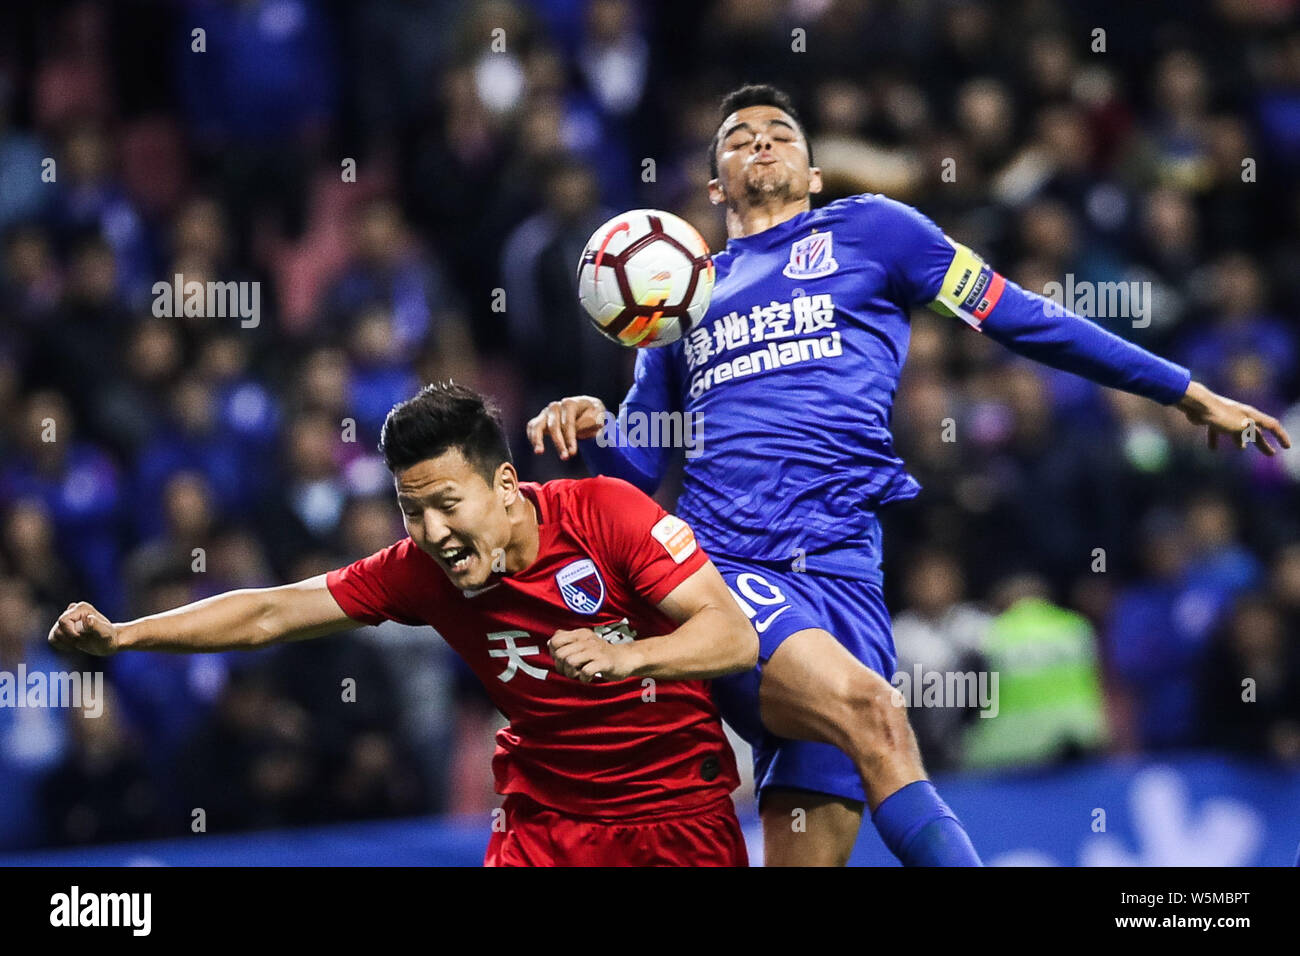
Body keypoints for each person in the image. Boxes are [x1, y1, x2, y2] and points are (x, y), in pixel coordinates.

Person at [528, 83, 1291, 866]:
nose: (761, 141)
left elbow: (1022, 315)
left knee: (826, 810)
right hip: (730, 567)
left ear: (817, 173)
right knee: (878, 716)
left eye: (781, 132)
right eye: (739, 136)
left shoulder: (878, 233)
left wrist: (1183, 389)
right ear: (716, 183)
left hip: (847, 572)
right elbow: (632, 479)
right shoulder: (681, 303)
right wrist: (595, 434)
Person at [49, 383, 759, 867]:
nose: (433, 531)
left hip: (676, 817)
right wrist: (124, 634)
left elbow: (733, 637)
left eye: (448, 504)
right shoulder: (420, 568)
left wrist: (630, 657)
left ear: (505, 485)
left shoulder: (606, 512)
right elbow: (273, 610)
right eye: (411, 510)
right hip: (548, 822)